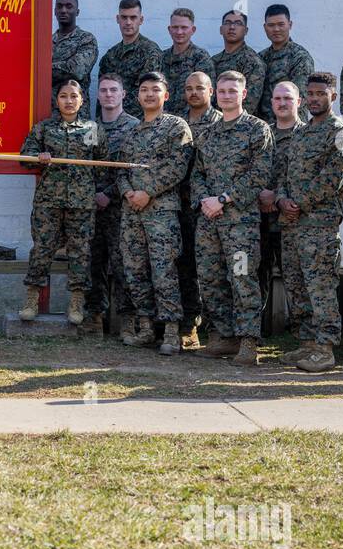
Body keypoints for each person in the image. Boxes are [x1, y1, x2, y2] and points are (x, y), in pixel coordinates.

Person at [191, 71, 274, 366]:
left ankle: (248, 341)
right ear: (215, 94)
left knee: (242, 278)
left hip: (240, 223)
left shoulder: (257, 129)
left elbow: (260, 174)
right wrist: (205, 201)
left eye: (232, 91)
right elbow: (198, 172)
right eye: (222, 91)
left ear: (244, 94)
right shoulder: (207, 133)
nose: (226, 96)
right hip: (209, 222)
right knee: (211, 279)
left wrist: (224, 199)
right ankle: (222, 336)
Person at [274, 74, 343, 373]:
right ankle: (307, 343)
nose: (314, 99)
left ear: (332, 96)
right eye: (309, 93)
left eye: (320, 93)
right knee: (297, 287)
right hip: (291, 223)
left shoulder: (340, 132)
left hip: (318, 225)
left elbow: (332, 179)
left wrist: (299, 204)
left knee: (320, 288)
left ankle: (325, 348)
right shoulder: (301, 133)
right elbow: (283, 173)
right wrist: (283, 200)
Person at [115, 72, 194, 353]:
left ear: (166, 95)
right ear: (137, 96)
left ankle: (172, 332)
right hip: (131, 212)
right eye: (144, 89)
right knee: (135, 270)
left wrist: (147, 192)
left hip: (161, 211)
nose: (149, 94)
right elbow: (121, 169)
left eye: (155, 90)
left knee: (164, 270)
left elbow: (178, 166)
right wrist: (128, 193)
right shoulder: (131, 132)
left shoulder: (176, 127)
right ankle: (146, 327)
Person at [18, 79, 99, 325]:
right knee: (42, 250)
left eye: (74, 96)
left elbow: (103, 162)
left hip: (81, 203)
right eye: (64, 96)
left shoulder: (91, 129)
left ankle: (76, 303)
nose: (69, 100)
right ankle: (31, 300)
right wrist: (37, 158)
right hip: (48, 201)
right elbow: (25, 157)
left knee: (80, 252)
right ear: (57, 100)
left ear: (82, 100)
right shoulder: (44, 128)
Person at [88, 73, 137, 329]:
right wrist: (93, 195)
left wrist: (109, 194)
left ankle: (128, 319)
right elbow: (85, 167)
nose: (108, 94)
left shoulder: (134, 127)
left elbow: (133, 172)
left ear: (123, 94)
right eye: (104, 90)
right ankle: (94, 317)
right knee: (93, 263)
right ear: (98, 95)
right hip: (93, 208)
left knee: (123, 265)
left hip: (122, 208)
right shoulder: (90, 129)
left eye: (113, 90)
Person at [264, 82, 308, 358]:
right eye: (277, 98)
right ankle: (252, 335)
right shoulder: (262, 133)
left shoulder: (306, 135)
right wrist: (261, 194)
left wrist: (279, 198)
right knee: (252, 274)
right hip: (258, 219)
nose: (282, 103)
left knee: (297, 282)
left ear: (299, 101)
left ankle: (303, 341)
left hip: (292, 219)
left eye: (288, 98)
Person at [179, 72, 221, 347]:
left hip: (212, 206)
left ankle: (219, 330)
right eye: (189, 88)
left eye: (200, 88)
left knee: (214, 269)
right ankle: (190, 325)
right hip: (180, 202)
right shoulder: (176, 122)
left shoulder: (221, 122)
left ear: (211, 91)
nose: (194, 93)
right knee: (185, 265)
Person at [97, 0, 164, 118]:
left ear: (141, 20)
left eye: (133, 18)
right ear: (118, 19)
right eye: (124, 17)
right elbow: (102, 94)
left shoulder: (150, 52)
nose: (128, 22)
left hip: (139, 122)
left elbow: (146, 93)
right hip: (111, 123)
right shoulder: (110, 55)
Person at [257, 4, 314, 121]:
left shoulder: (300, 57)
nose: (276, 29)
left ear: (290, 25)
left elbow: (300, 99)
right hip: (262, 127)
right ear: (265, 27)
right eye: (271, 25)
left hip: (289, 128)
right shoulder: (260, 57)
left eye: (281, 24)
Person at [159, 8, 216, 121]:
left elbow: (208, 95)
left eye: (184, 27)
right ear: (169, 29)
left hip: (192, 122)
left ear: (193, 29)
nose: (179, 32)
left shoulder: (200, 57)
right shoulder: (161, 57)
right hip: (163, 121)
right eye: (175, 27)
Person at [212, 10, 266, 117]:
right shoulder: (213, 61)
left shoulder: (253, 62)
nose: (232, 27)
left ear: (246, 31)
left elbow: (249, 103)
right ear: (221, 30)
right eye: (227, 23)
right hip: (214, 124)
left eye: (238, 23)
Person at [51, 0, 98, 111]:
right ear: (55, 11)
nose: (63, 10)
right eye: (59, 6)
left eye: (69, 6)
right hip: (49, 112)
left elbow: (77, 70)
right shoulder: (45, 42)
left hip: (76, 115)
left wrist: (42, 69)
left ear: (77, 12)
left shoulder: (86, 39)